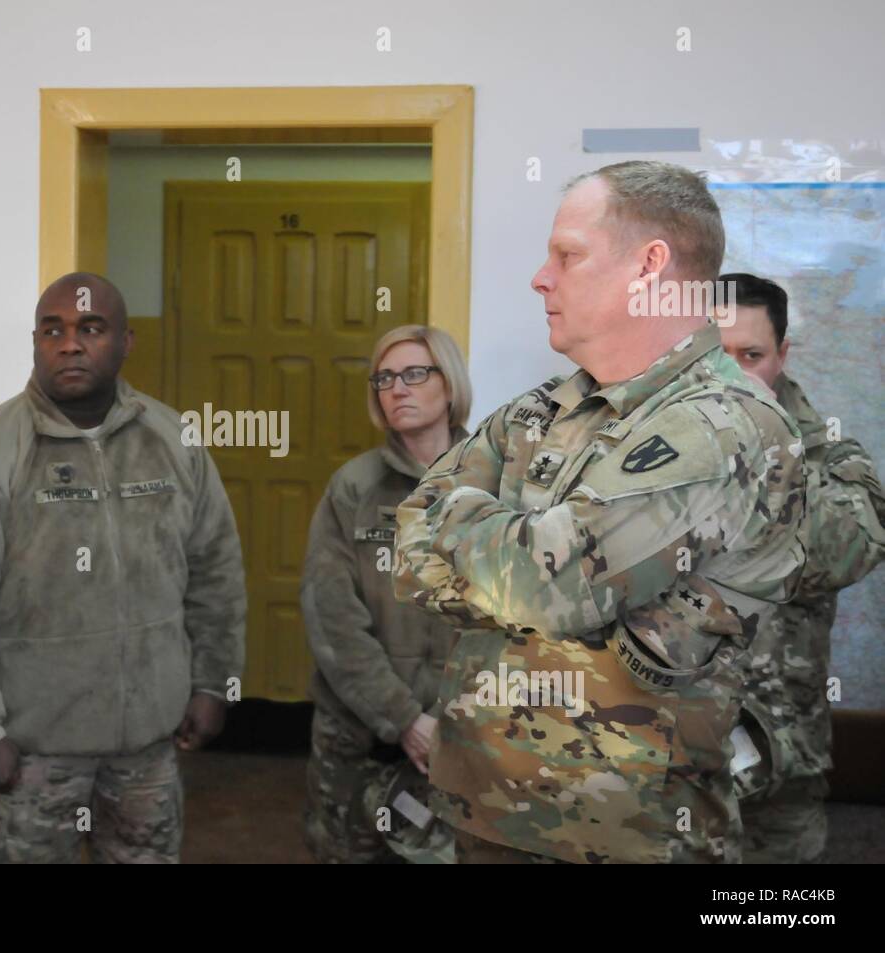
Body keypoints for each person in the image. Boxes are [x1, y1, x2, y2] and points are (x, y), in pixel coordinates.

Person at [394, 160, 806, 864]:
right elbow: (407, 549)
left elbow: (545, 587)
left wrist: (467, 522)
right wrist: (510, 549)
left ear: (649, 267)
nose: (540, 277)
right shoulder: (545, 406)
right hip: (488, 813)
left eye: (568, 255)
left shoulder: (720, 425)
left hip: (629, 834)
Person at [0, 272, 245, 863]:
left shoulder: (176, 442)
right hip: (31, 757)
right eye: (53, 330)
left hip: (147, 750)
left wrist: (213, 682)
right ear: (36, 342)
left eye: (91, 328)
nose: (70, 344)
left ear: (125, 342)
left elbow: (215, 572)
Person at [717, 272, 885, 863]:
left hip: (781, 767)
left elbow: (839, 550)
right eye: (717, 354)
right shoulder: (646, 452)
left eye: (752, 355)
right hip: (668, 766)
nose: (734, 373)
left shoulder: (834, 458)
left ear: (782, 356)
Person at [301, 325, 470, 863]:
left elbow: (519, 621)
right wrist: (403, 719)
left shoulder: (497, 487)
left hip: (462, 743)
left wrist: (448, 721)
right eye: (385, 378)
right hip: (360, 743)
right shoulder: (353, 488)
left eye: (416, 373)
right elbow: (333, 620)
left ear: (450, 384)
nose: (398, 388)